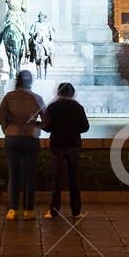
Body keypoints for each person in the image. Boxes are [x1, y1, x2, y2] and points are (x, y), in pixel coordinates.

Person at [0, 69, 45, 220]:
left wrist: (7, 128)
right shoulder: (37, 98)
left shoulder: (9, 97)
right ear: (31, 82)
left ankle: (13, 210)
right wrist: (38, 126)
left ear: (17, 80)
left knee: (13, 174)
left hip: (12, 138)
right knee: (30, 175)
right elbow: (47, 119)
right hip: (31, 138)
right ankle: (29, 210)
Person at [41, 81, 90, 220]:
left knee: (56, 179)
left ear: (58, 92)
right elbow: (85, 127)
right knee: (74, 179)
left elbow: (47, 127)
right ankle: (76, 211)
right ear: (72, 93)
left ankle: (54, 211)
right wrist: (74, 130)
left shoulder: (52, 107)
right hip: (73, 145)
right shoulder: (78, 107)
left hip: (57, 145)